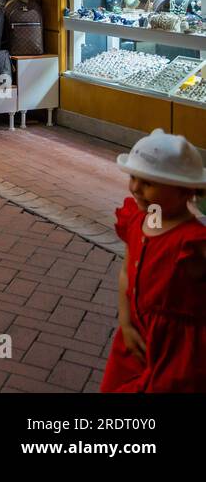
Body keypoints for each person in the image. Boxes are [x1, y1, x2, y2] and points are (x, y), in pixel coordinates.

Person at [101, 129, 206, 393]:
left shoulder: (193, 242)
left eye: (148, 183)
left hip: (179, 354)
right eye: (134, 177)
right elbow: (126, 272)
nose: (135, 187)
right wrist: (125, 322)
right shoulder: (136, 222)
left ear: (185, 191)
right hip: (134, 340)